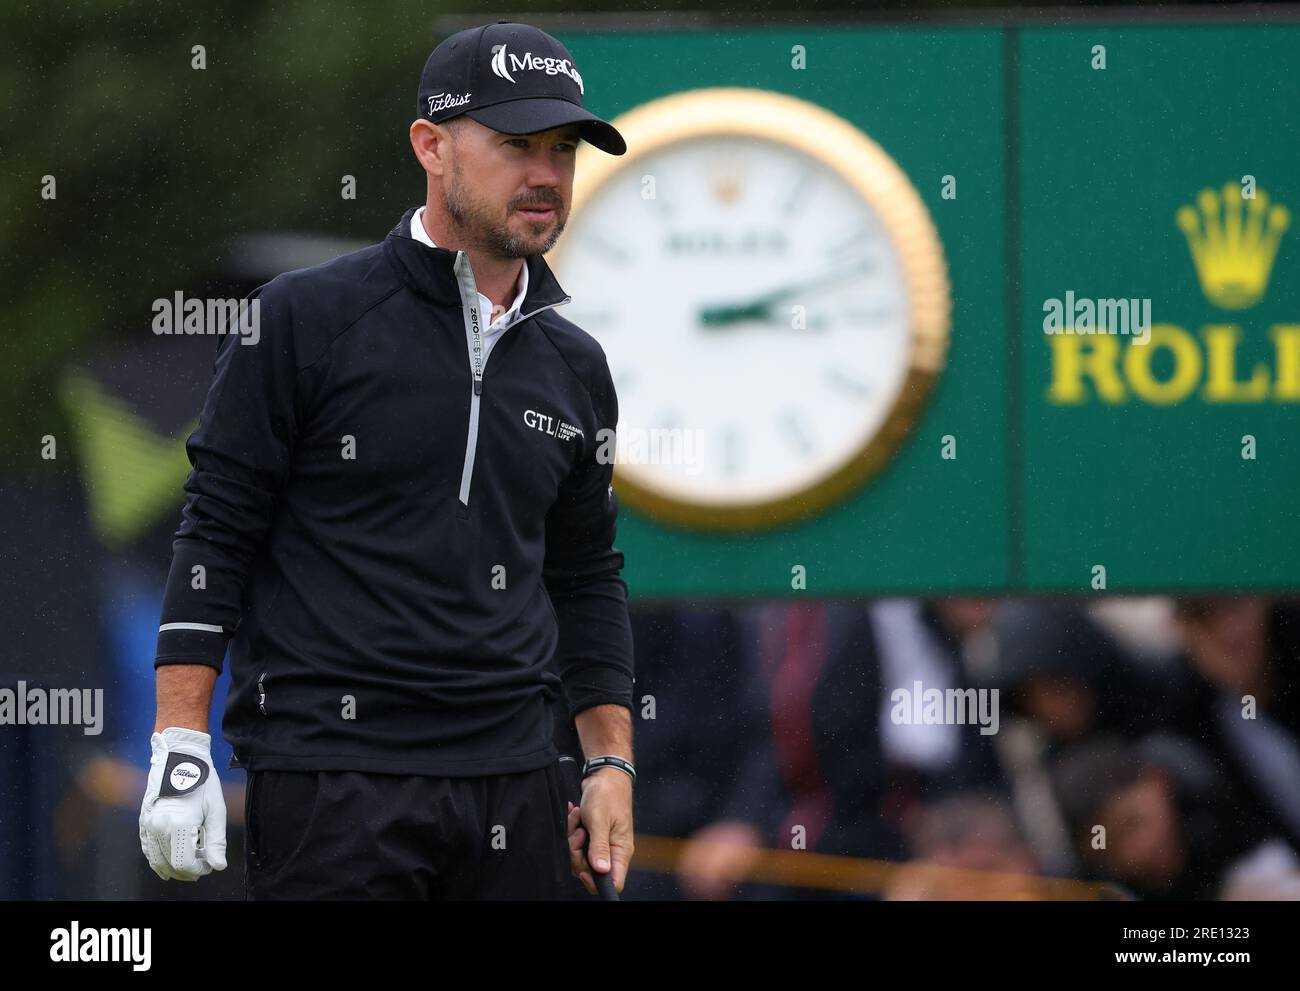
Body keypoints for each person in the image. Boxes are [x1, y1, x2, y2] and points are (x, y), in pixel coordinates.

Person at [138, 20, 637, 899]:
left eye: (563, 149)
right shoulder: (301, 320)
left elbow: (586, 574)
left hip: (518, 782)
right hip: (332, 775)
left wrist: (609, 763)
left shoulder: (576, 365)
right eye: (517, 143)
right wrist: (180, 742)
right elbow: (216, 530)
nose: (545, 175)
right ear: (432, 146)